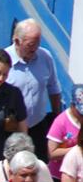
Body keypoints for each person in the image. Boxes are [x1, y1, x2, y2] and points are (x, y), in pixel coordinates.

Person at [6, 19, 64, 161]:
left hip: (38, 125)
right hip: (11, 129)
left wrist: (56, 116)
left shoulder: (45, 57)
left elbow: (53, 88)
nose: (35, 49)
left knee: (39, 165)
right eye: (31, 45)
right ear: (17, 41)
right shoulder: (4, 60)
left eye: (38, 44)